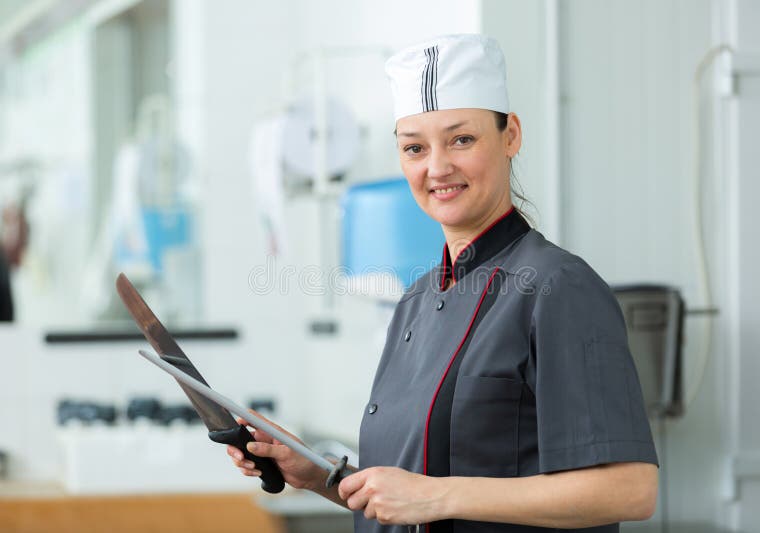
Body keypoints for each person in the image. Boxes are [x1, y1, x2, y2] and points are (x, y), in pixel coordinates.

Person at [228, 34, 659, 532]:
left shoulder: (558, 287)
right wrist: (317, 474)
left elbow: (630, 489)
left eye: (462, 140)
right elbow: (408, 497)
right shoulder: (416, 299)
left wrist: (436, 495)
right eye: (415, 147)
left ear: (511, 135)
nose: (437, 167)